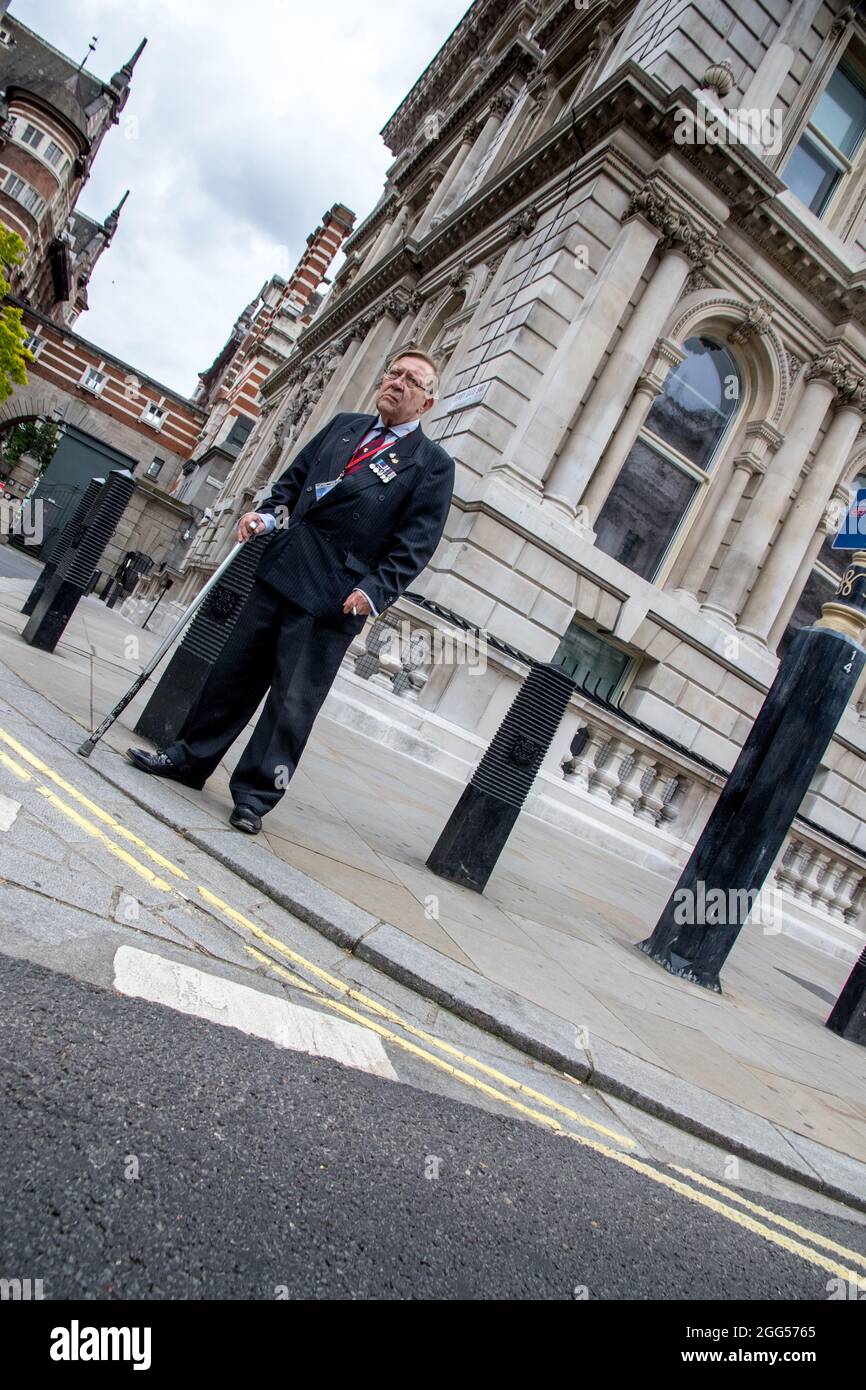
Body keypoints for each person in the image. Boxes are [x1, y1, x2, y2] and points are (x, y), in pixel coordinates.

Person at [127, 349, 455, 834]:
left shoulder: (431, 465)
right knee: (231, 676)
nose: (398, 383)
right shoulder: (344, 425)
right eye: (394, 373)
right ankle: (187, 760)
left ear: (425, 404)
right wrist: (265, 514)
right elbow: (291, 485)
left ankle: (254, 798)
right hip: (281, 567)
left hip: (335, 597)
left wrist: (375, 590)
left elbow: (415, 544)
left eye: (412, 381)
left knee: (292, 702)